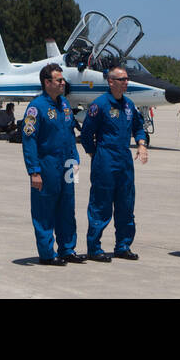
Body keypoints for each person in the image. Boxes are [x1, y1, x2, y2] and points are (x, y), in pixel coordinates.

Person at [79, 66, 149, 261]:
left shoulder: (129, 105)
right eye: (122, 79)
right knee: (100, 205)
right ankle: (94, 248)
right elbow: (86, 134)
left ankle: (123, 245)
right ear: (111, 82)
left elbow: (139, 127)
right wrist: (95, 153)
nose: (126, 82)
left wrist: (141, 145)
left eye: (127, 79)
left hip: (124, 160)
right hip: (105, 158)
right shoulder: (99, 105)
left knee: (126, 204)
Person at [22, 64, 85, 265]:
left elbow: (69, 133)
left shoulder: (65, 104)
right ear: (47, 83)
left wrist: (75, 160)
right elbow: (29, 140)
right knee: (44, 210)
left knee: (67, 208)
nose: (63, 83)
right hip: (47, 165)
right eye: (59, 80)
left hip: (67, 164)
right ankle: (47, 254)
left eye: (62, 79)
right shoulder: (36, 108)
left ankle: (67, 249)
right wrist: (34, 171)